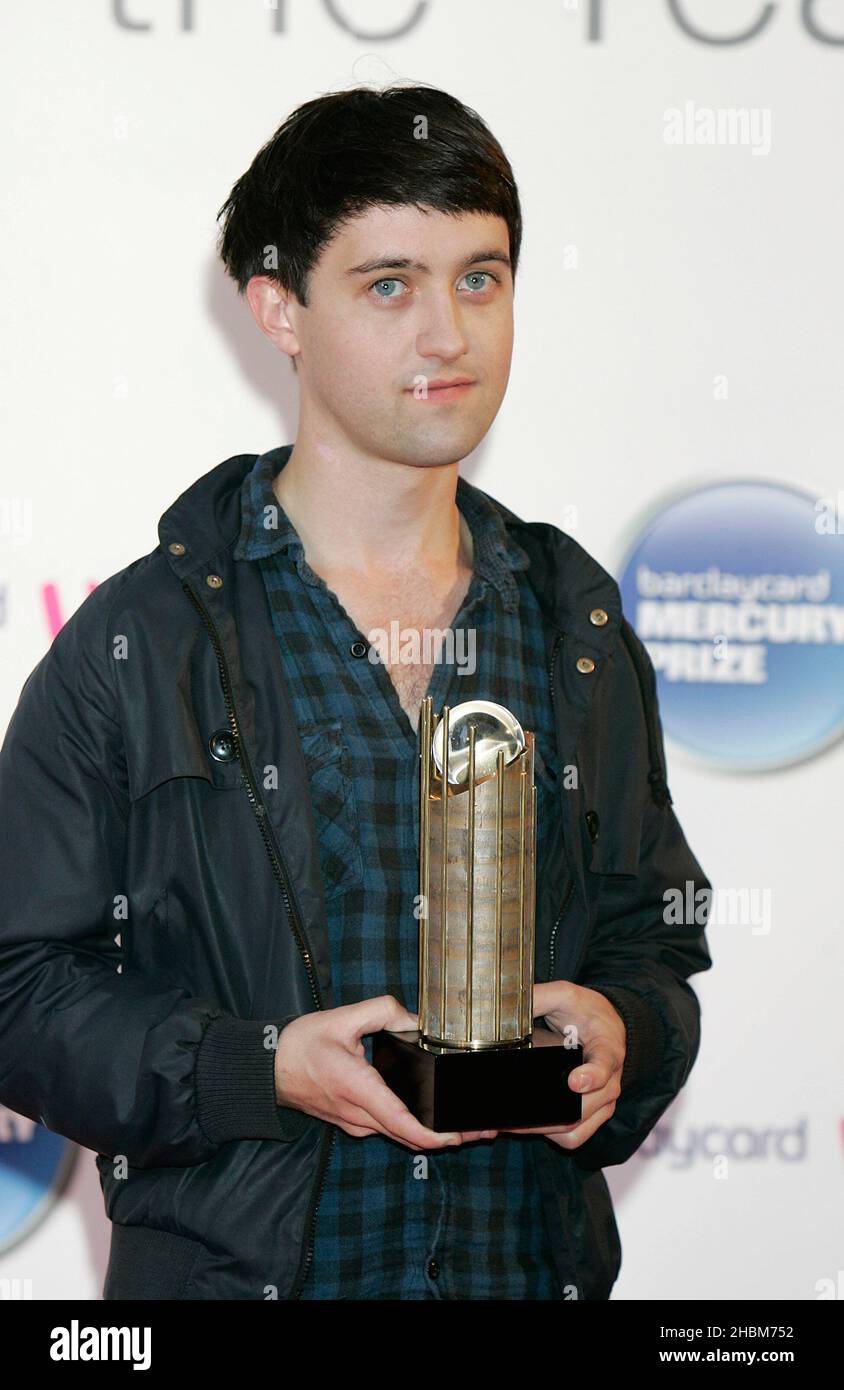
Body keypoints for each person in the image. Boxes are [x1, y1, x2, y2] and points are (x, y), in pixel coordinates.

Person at [0, 83, 713, 1301]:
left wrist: (624, 1031)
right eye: (390, 285)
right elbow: (17, 984)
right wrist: (258, 1064)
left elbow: (654, 940)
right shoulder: (141, 638)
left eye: (479, 279)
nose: (450, 335)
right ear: (279, 307)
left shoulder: (572, 623)